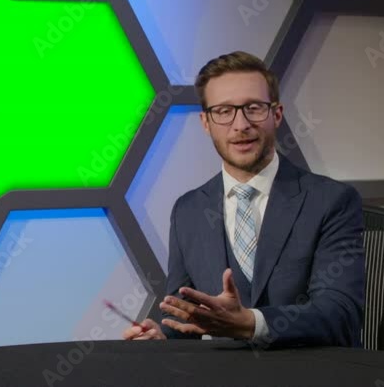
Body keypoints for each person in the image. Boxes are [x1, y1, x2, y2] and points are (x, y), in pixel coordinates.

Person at [122, 51, 365, 347]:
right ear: (206, 122)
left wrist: (251, 323)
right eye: (224, 111)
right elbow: (186, 317)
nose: (240, 124)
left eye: (254, 108)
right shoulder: (188, 211)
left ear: (276, 115)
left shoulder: (331, 201)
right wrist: (161, 337)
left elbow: (341, 316)